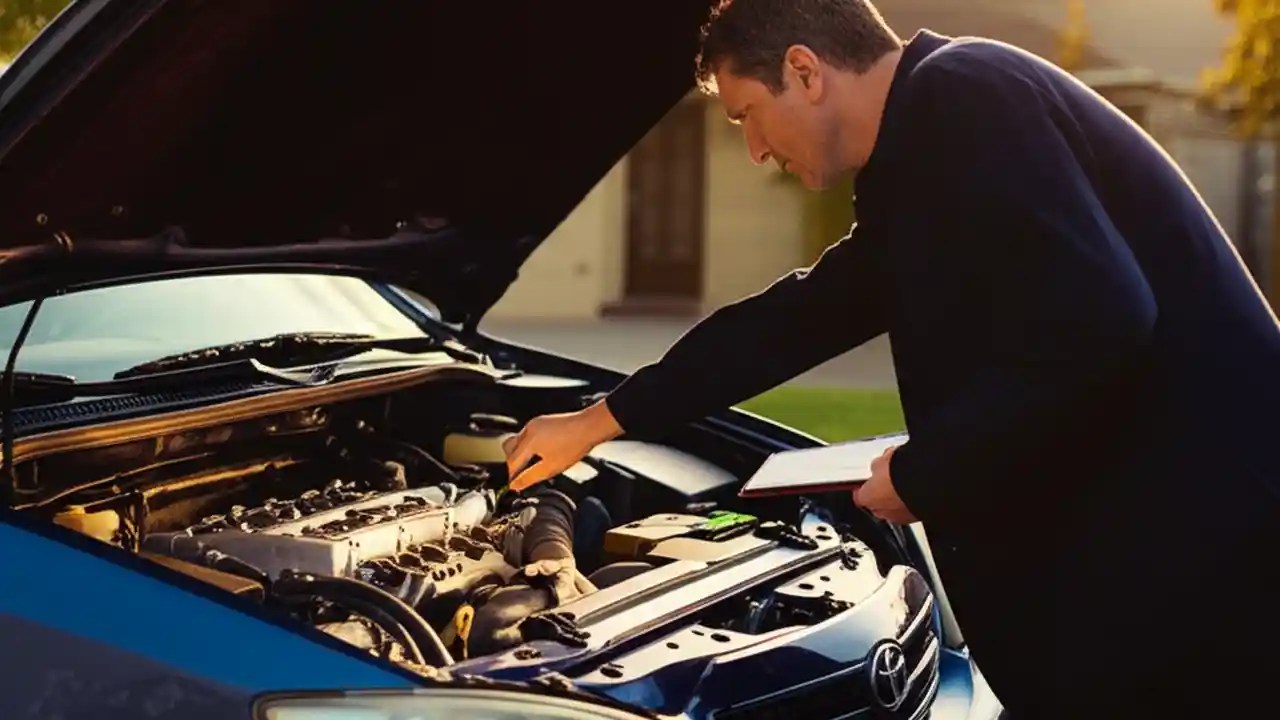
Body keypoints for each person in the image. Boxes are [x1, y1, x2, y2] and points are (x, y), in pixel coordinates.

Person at [503, 0, 1280, 716]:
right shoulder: (925, 140)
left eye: (749, 115)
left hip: (1218, 554)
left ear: (804, 72)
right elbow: (803, 315)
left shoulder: (966, 96)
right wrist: (602, 419)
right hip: (1174, 549)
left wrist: (926, 470)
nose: (756, 149)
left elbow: (1101, 324)